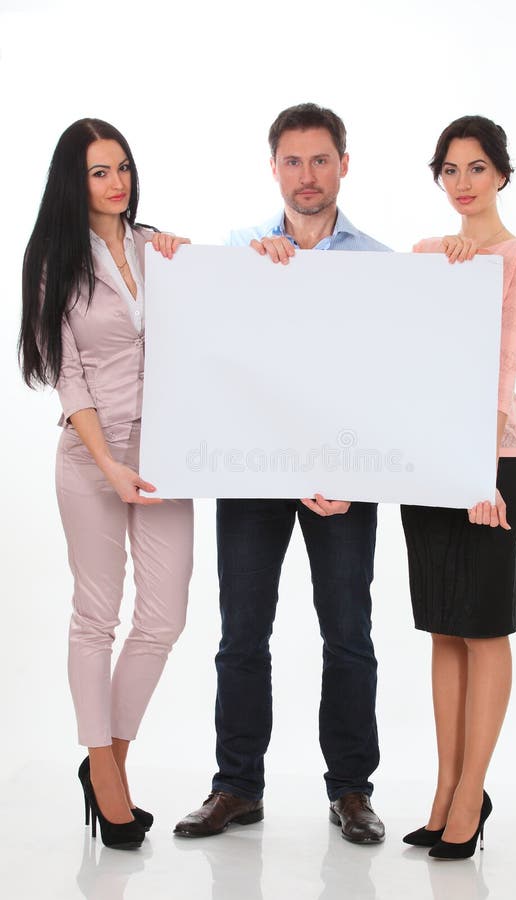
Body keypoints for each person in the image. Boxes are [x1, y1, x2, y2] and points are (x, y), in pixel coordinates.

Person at [174, 103, 389, 844]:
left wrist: (356, 475)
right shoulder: (239, 249)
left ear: (344, 165)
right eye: (293, 161)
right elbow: (213, 351)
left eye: (321, 159)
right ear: (274, 169)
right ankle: (237, 786)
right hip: (254, 473)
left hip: (341, 484)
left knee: (349, 635)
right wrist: (245, 276)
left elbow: (387, 385)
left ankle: (353, 791)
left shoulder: (380, 265)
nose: (307, 175)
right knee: (241, 635)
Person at [19, 118, 194, 850]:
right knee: (96, 617)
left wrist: (197, 268)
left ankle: (107, 763)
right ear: (73, 180)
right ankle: (106, 767)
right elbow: (70, 376)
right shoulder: (54, 260)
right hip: (91, 455)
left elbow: (212, 329)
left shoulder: (156, 248)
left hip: (167, 450)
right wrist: (111, 464)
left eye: (122, 167)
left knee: (164, 617)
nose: (116, 182)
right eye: (99, 171)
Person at [401, 115, 516, 859]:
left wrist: (480, 470)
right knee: (445, 625)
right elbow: (405, 349)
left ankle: (471, 792)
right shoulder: (428, 254)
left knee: (484, 623)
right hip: (426, 460)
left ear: (502, 176)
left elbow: (503, 363)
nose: (463, 183)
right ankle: (444, 786)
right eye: (450, 170)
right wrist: (444, 269)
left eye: (477, 168)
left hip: (490, 456)